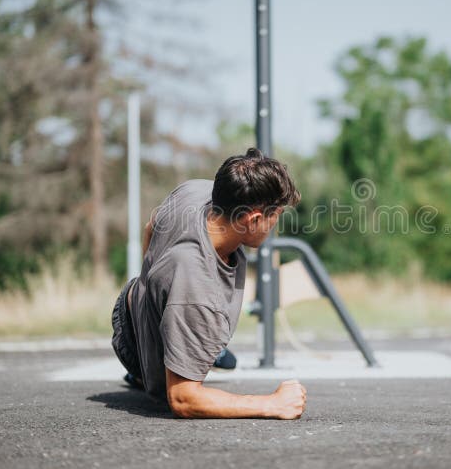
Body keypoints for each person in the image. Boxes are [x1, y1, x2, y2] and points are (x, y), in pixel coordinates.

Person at [111, 148, 307, 419]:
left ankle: (185, 338)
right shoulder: (196, 289)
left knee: (203, 329)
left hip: (131, 299)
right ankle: (147, 370)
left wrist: (152, 287)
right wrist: (272, 404)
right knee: (187, 359)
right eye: (276, 216)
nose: (276, 224)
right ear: (253, 219)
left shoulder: (196, 192)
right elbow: (183, 399)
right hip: (135, 341)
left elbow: (151, 226)